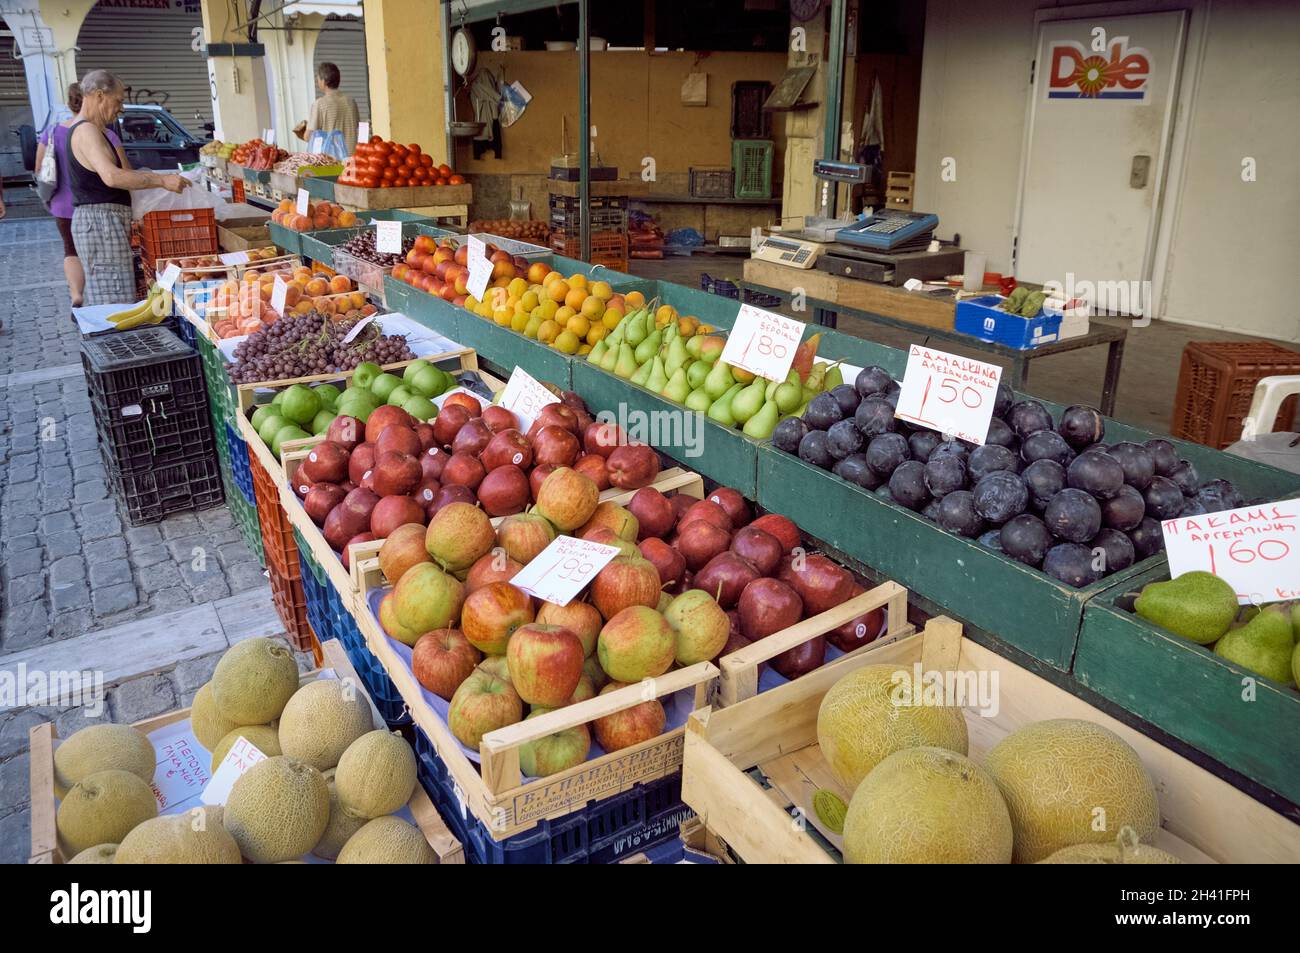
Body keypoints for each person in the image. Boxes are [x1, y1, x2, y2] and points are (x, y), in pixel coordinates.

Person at [67, 70, 189, 306]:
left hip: (102, 223)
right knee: (114, 300)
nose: (121, 108)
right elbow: (112, 177)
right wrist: (162, 181)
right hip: (101, 223)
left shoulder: (91, 130)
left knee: (115, 295)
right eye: (118, 100)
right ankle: (112, 343)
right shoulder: (86, 131)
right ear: (100, 95)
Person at [36, 83, 131, 307]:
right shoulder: (102, 134)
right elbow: (120, 173)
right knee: (106, 266)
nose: (120, 108)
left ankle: (77, 294)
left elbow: (40, 167)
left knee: (71, 251)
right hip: (97, 207)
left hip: (62, 204)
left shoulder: (52, 131)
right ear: (96, 98)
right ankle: (102, 303)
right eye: (118, 101)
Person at [298, 62, 360, 156]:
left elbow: (309, 137)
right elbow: (357, 128)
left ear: (324, 81)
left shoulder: (320, 104)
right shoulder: (351, 102)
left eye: (318, 79)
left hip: (332, 163)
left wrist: (302, 132)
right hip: (352, 160)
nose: (317, 81)